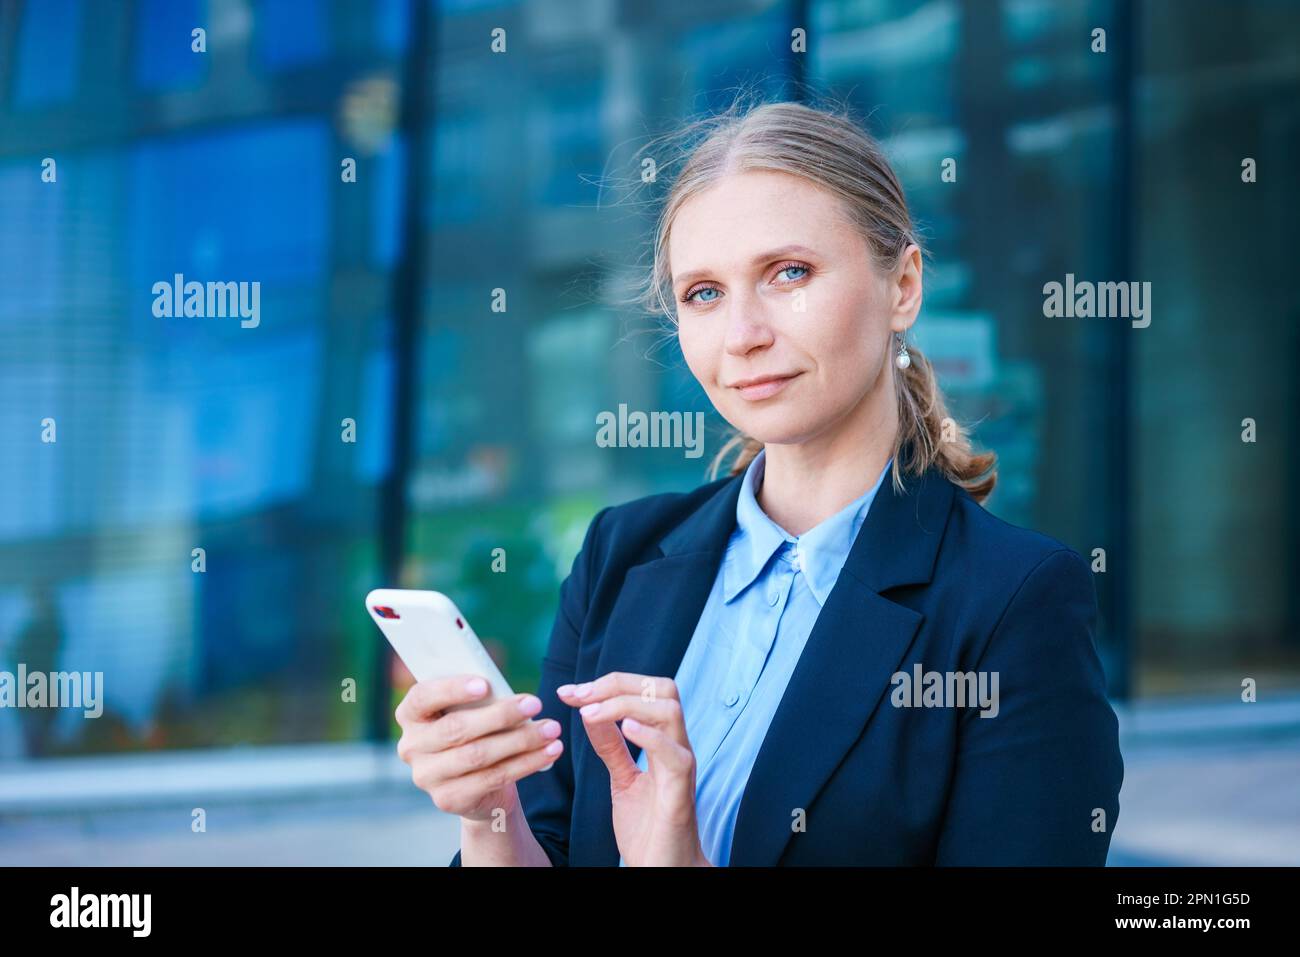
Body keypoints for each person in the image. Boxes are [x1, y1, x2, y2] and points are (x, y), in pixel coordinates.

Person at [394, 99, 1124, 866]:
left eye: (789, 273)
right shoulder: (621, 554)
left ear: (902, 285)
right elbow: (550, 837)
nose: (743, 335)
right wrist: (489, 813)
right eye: (703, 293)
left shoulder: (1015, 601)